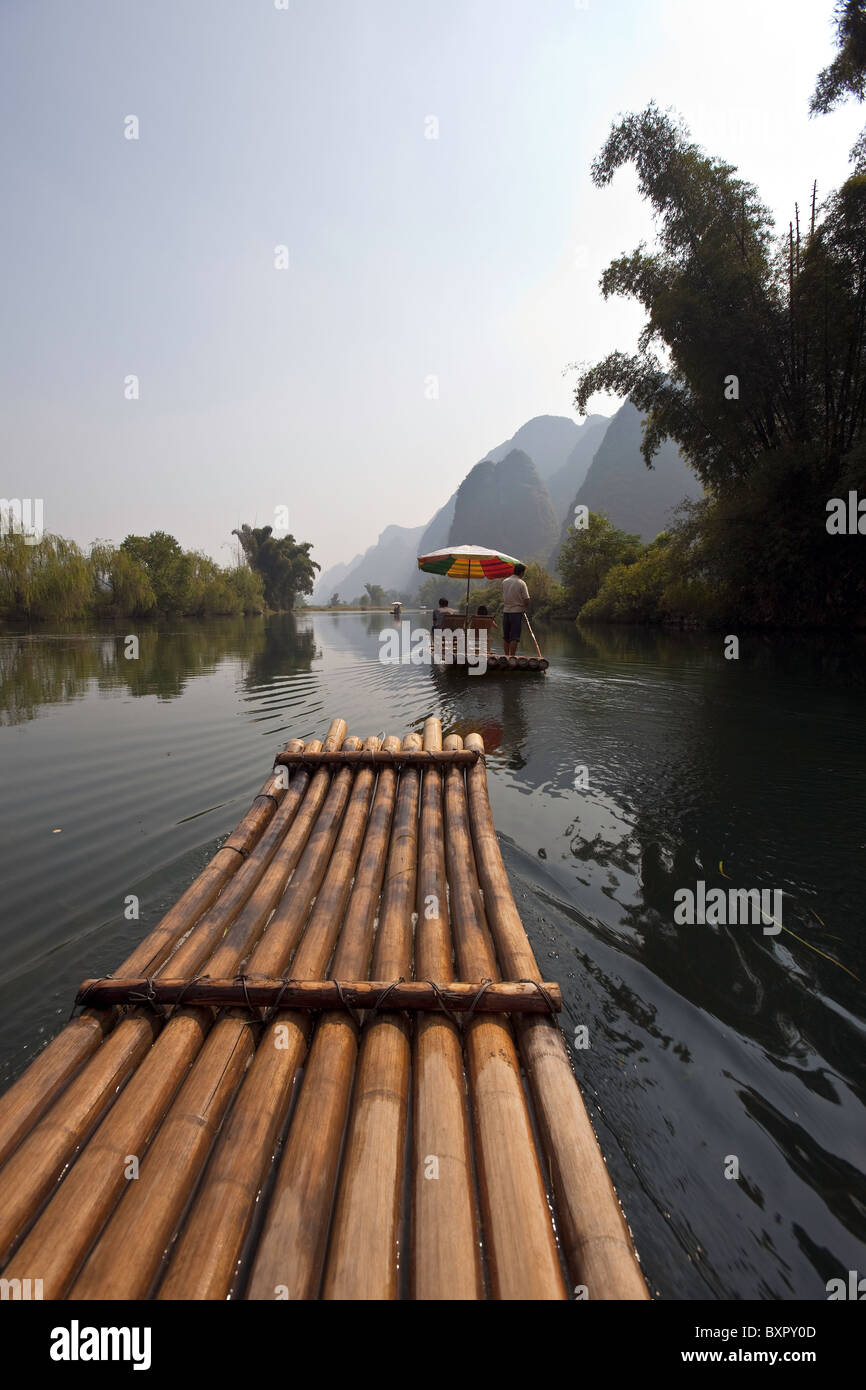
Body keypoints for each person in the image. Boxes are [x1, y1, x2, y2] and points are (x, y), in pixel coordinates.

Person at [501, 564, 529, 657]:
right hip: (516, 612)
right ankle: (512, 657)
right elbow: (526, 599)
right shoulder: (521, 583)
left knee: (506, 636)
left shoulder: (504, 581)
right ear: (521, 572)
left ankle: (506, 656)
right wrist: (524, 608)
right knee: (514, 637)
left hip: (506, 611)